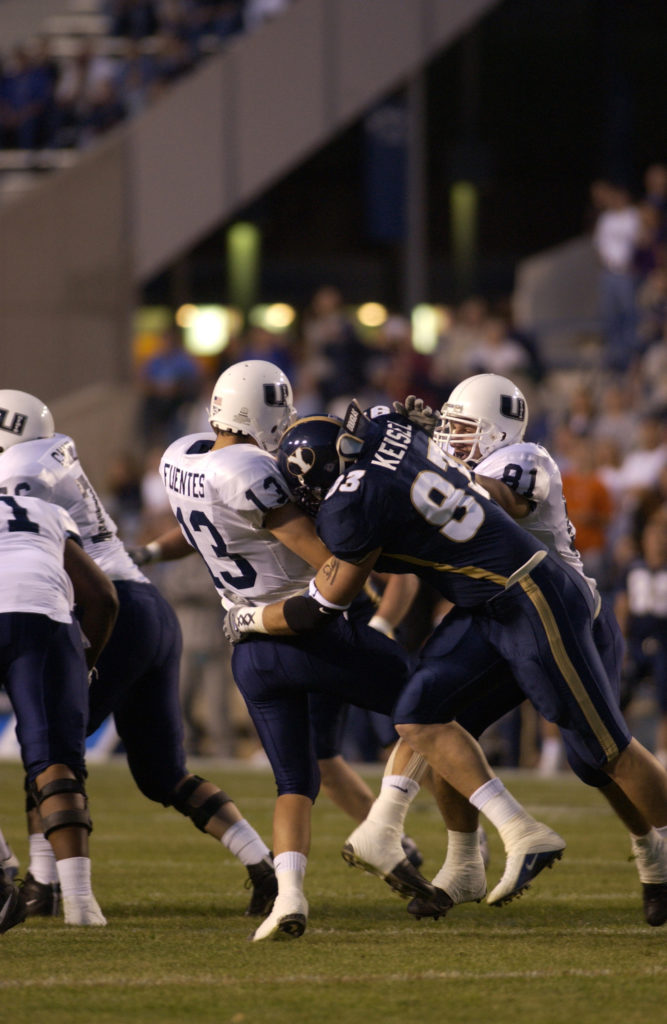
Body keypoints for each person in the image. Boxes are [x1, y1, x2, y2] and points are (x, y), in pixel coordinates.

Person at [225, 396, 667, 927]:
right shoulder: (393, 438)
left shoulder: (518, 458)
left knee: (600, 752)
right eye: (449, 425)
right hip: (485, 603)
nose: (452, 434)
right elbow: (385, 423)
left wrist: (248, 619)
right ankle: (460, 858)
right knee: (421, 712)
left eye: (464, 426)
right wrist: (422, 444)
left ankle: (648, 855)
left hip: (536, 595)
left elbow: (326, 603)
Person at [141, 361, 446, 941]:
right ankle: (411, 837)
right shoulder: (253, 470)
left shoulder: (181, 456)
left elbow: (202, 526)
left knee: (294, 782)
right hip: (305, 630)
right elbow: (323, 559)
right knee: (434, 706)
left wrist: (151, 553)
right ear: (264, 412)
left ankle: (290, 898)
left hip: (249, 647)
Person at [0, 389, 277, 921]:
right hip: (149, 607)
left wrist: (82, 657)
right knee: (161, 774)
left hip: (111, 608)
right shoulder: (52, 459)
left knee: (51, 752)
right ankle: (261, 865)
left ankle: (46, 885)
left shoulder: (22, 475)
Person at [0, 493, 119, 926]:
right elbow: (102, 597)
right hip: (43, 616)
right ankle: (80, 903)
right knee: (55, 762)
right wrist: (80, 666)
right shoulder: (46, 511)